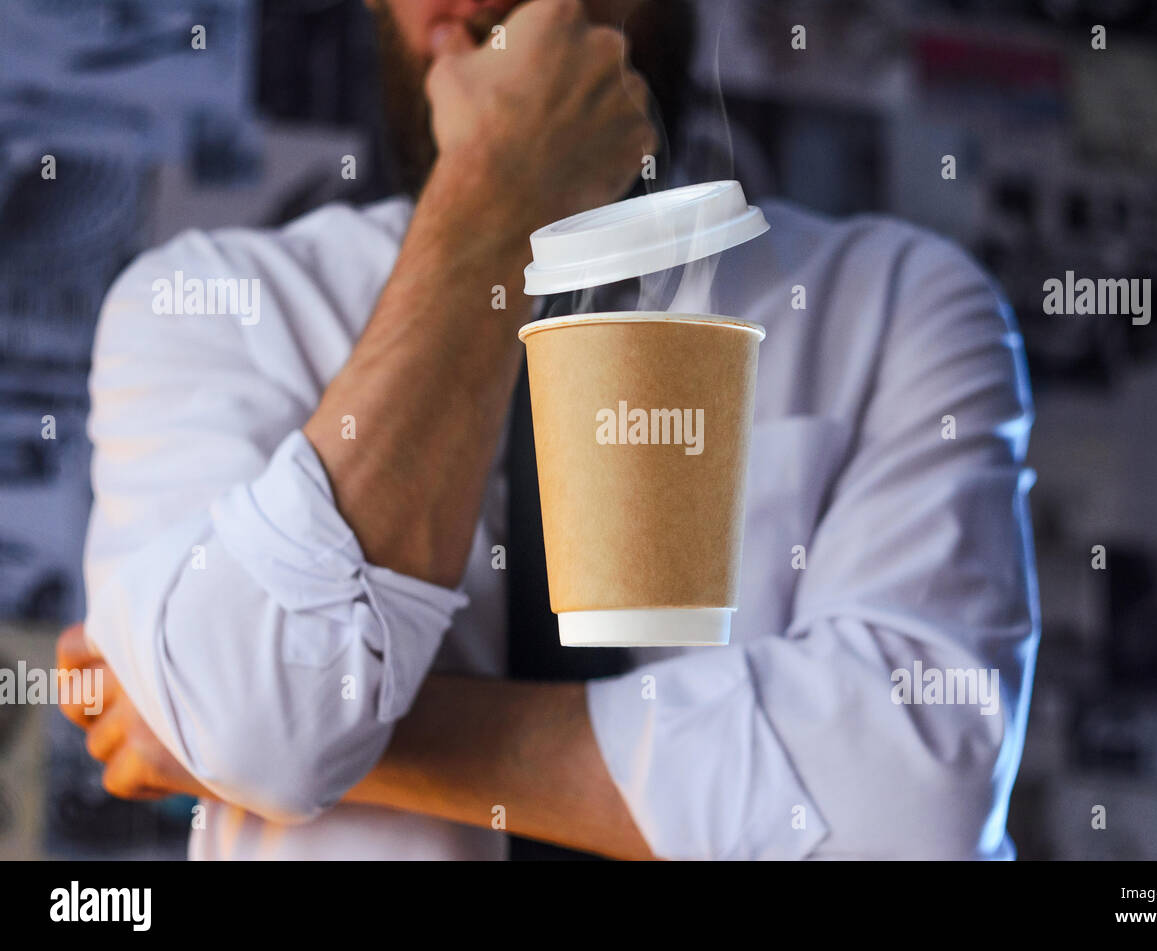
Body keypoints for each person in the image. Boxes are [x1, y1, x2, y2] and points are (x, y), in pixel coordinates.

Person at [58, 0, 1040, 860]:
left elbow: (912, 809)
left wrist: (282, 733)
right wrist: (498, 201)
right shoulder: (201, 308)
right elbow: (251, 721)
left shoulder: (906, 303)